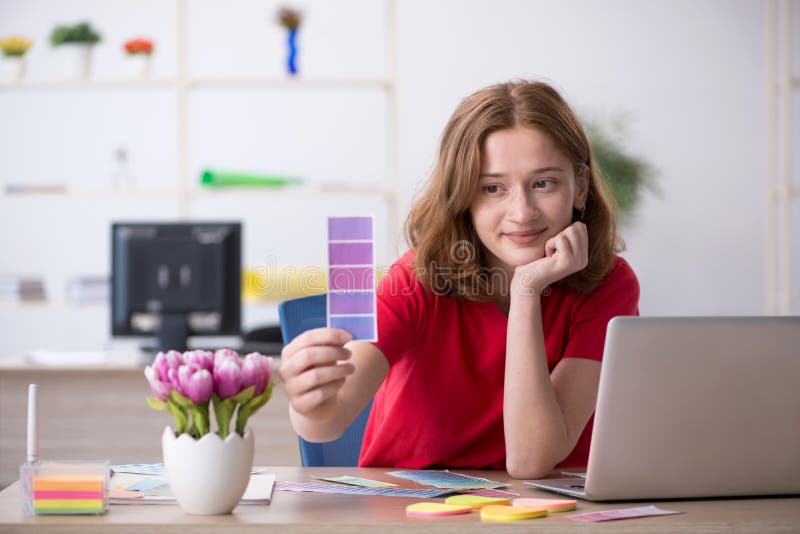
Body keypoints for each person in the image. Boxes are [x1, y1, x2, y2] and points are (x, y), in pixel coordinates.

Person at [279, 80, 640, 479]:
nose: (521, 212)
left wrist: (525, 293)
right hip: (410, 511)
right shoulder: (417, 280)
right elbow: (327, 422)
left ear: (581, 187)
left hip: (540, 513)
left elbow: (531, 460)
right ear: (463, 196)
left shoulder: (609, 286)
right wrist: (307, 401)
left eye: (543, 183)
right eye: (492, 188)